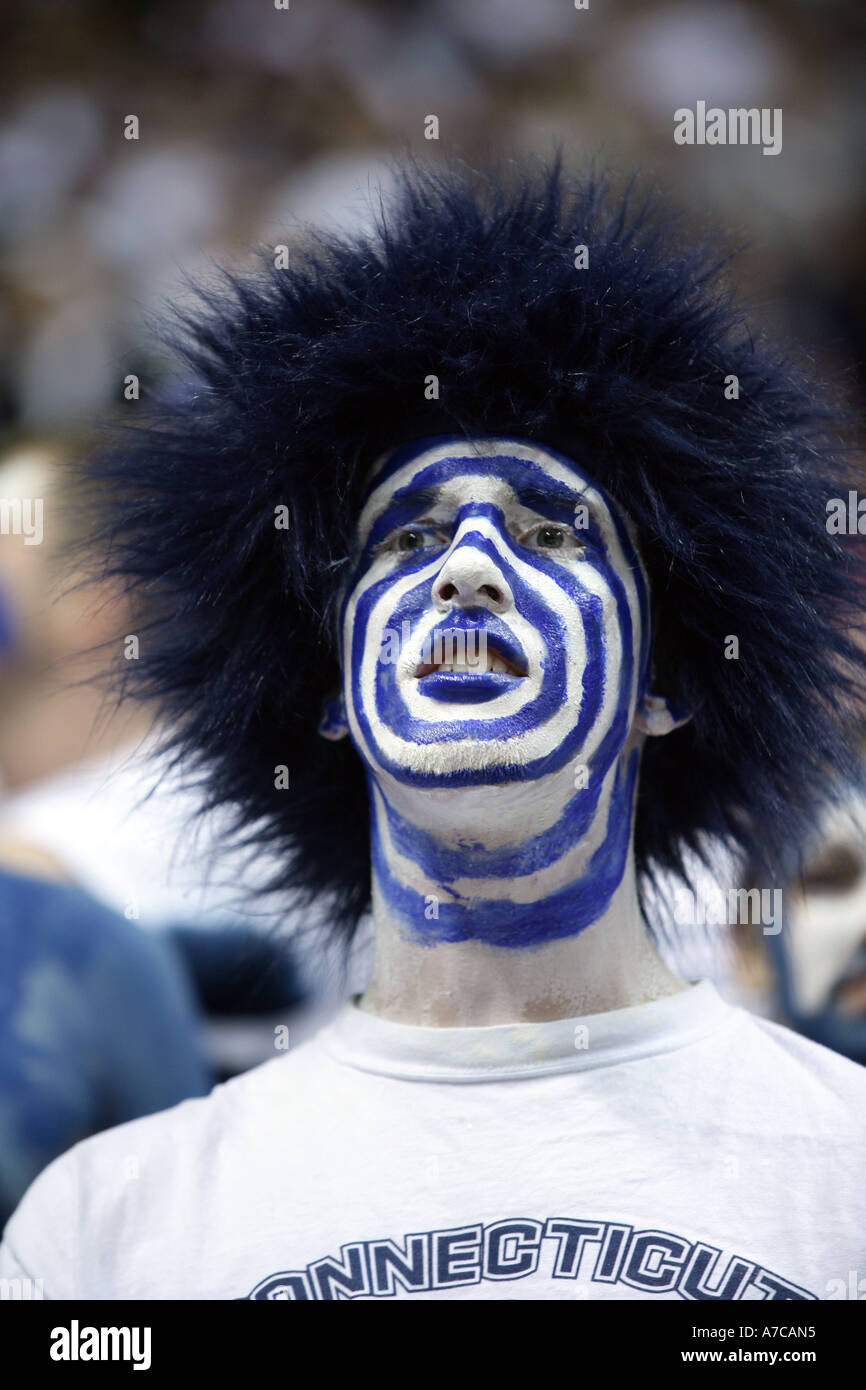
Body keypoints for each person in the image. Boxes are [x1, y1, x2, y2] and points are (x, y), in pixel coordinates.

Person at [2, 157, 866, 1301]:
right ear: (329, 689)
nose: (465, 569)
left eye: (550, 533)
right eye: (404, 541)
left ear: (666, 679)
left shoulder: (837, 1171)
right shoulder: (111, 1222)